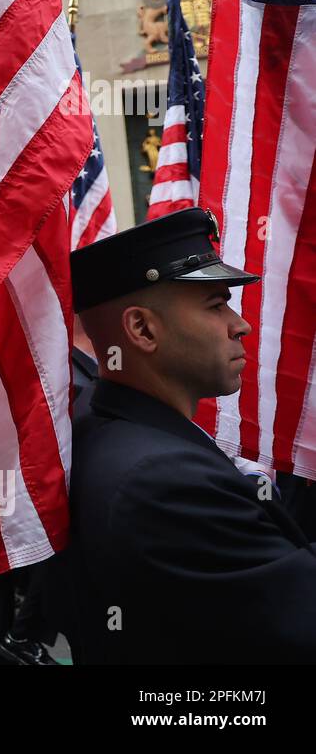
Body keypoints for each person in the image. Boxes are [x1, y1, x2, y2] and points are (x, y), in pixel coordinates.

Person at [62, 207, 316, 662]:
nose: (241, 325)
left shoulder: (104, 425)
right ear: (141, 329)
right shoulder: (161, 480)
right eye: (216, 306)